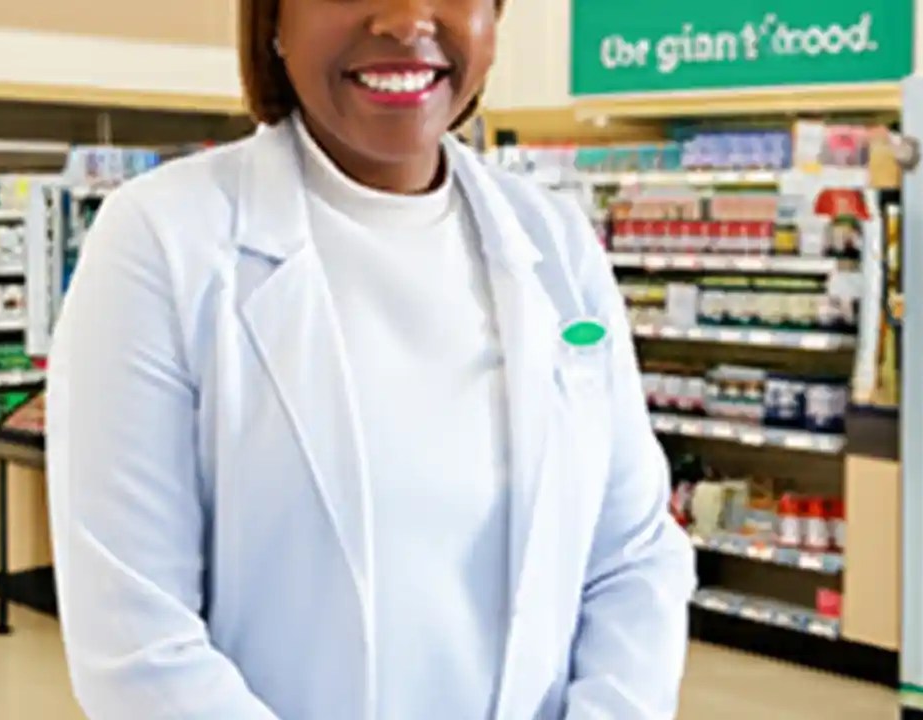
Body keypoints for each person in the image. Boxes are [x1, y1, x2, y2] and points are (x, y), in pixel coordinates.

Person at [45, 0, 696, 717]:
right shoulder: (162, 240)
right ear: (272, 20)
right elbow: (136, 639)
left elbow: (633, 555)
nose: (405, 17)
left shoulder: (554, 240)